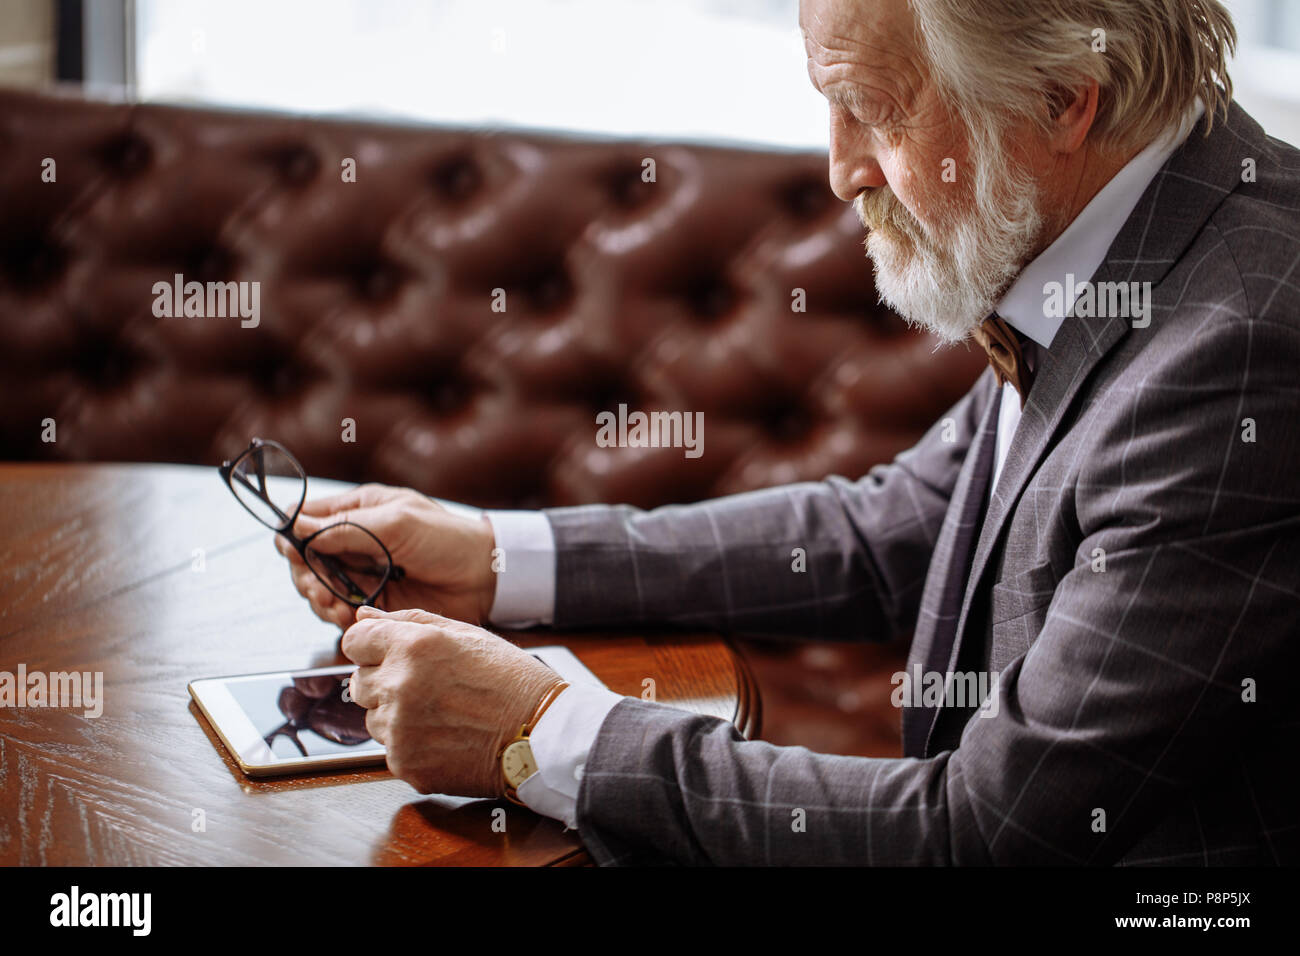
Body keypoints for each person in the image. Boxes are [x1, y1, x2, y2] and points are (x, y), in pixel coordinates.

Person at [274, 0, 1300, 865]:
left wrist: (535, 733)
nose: (840, 169)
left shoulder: (1237, 348)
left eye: (871, 111)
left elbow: (985, 830)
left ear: (1062, 99)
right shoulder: (1137, 224)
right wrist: (499, 558)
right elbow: (895, 527)